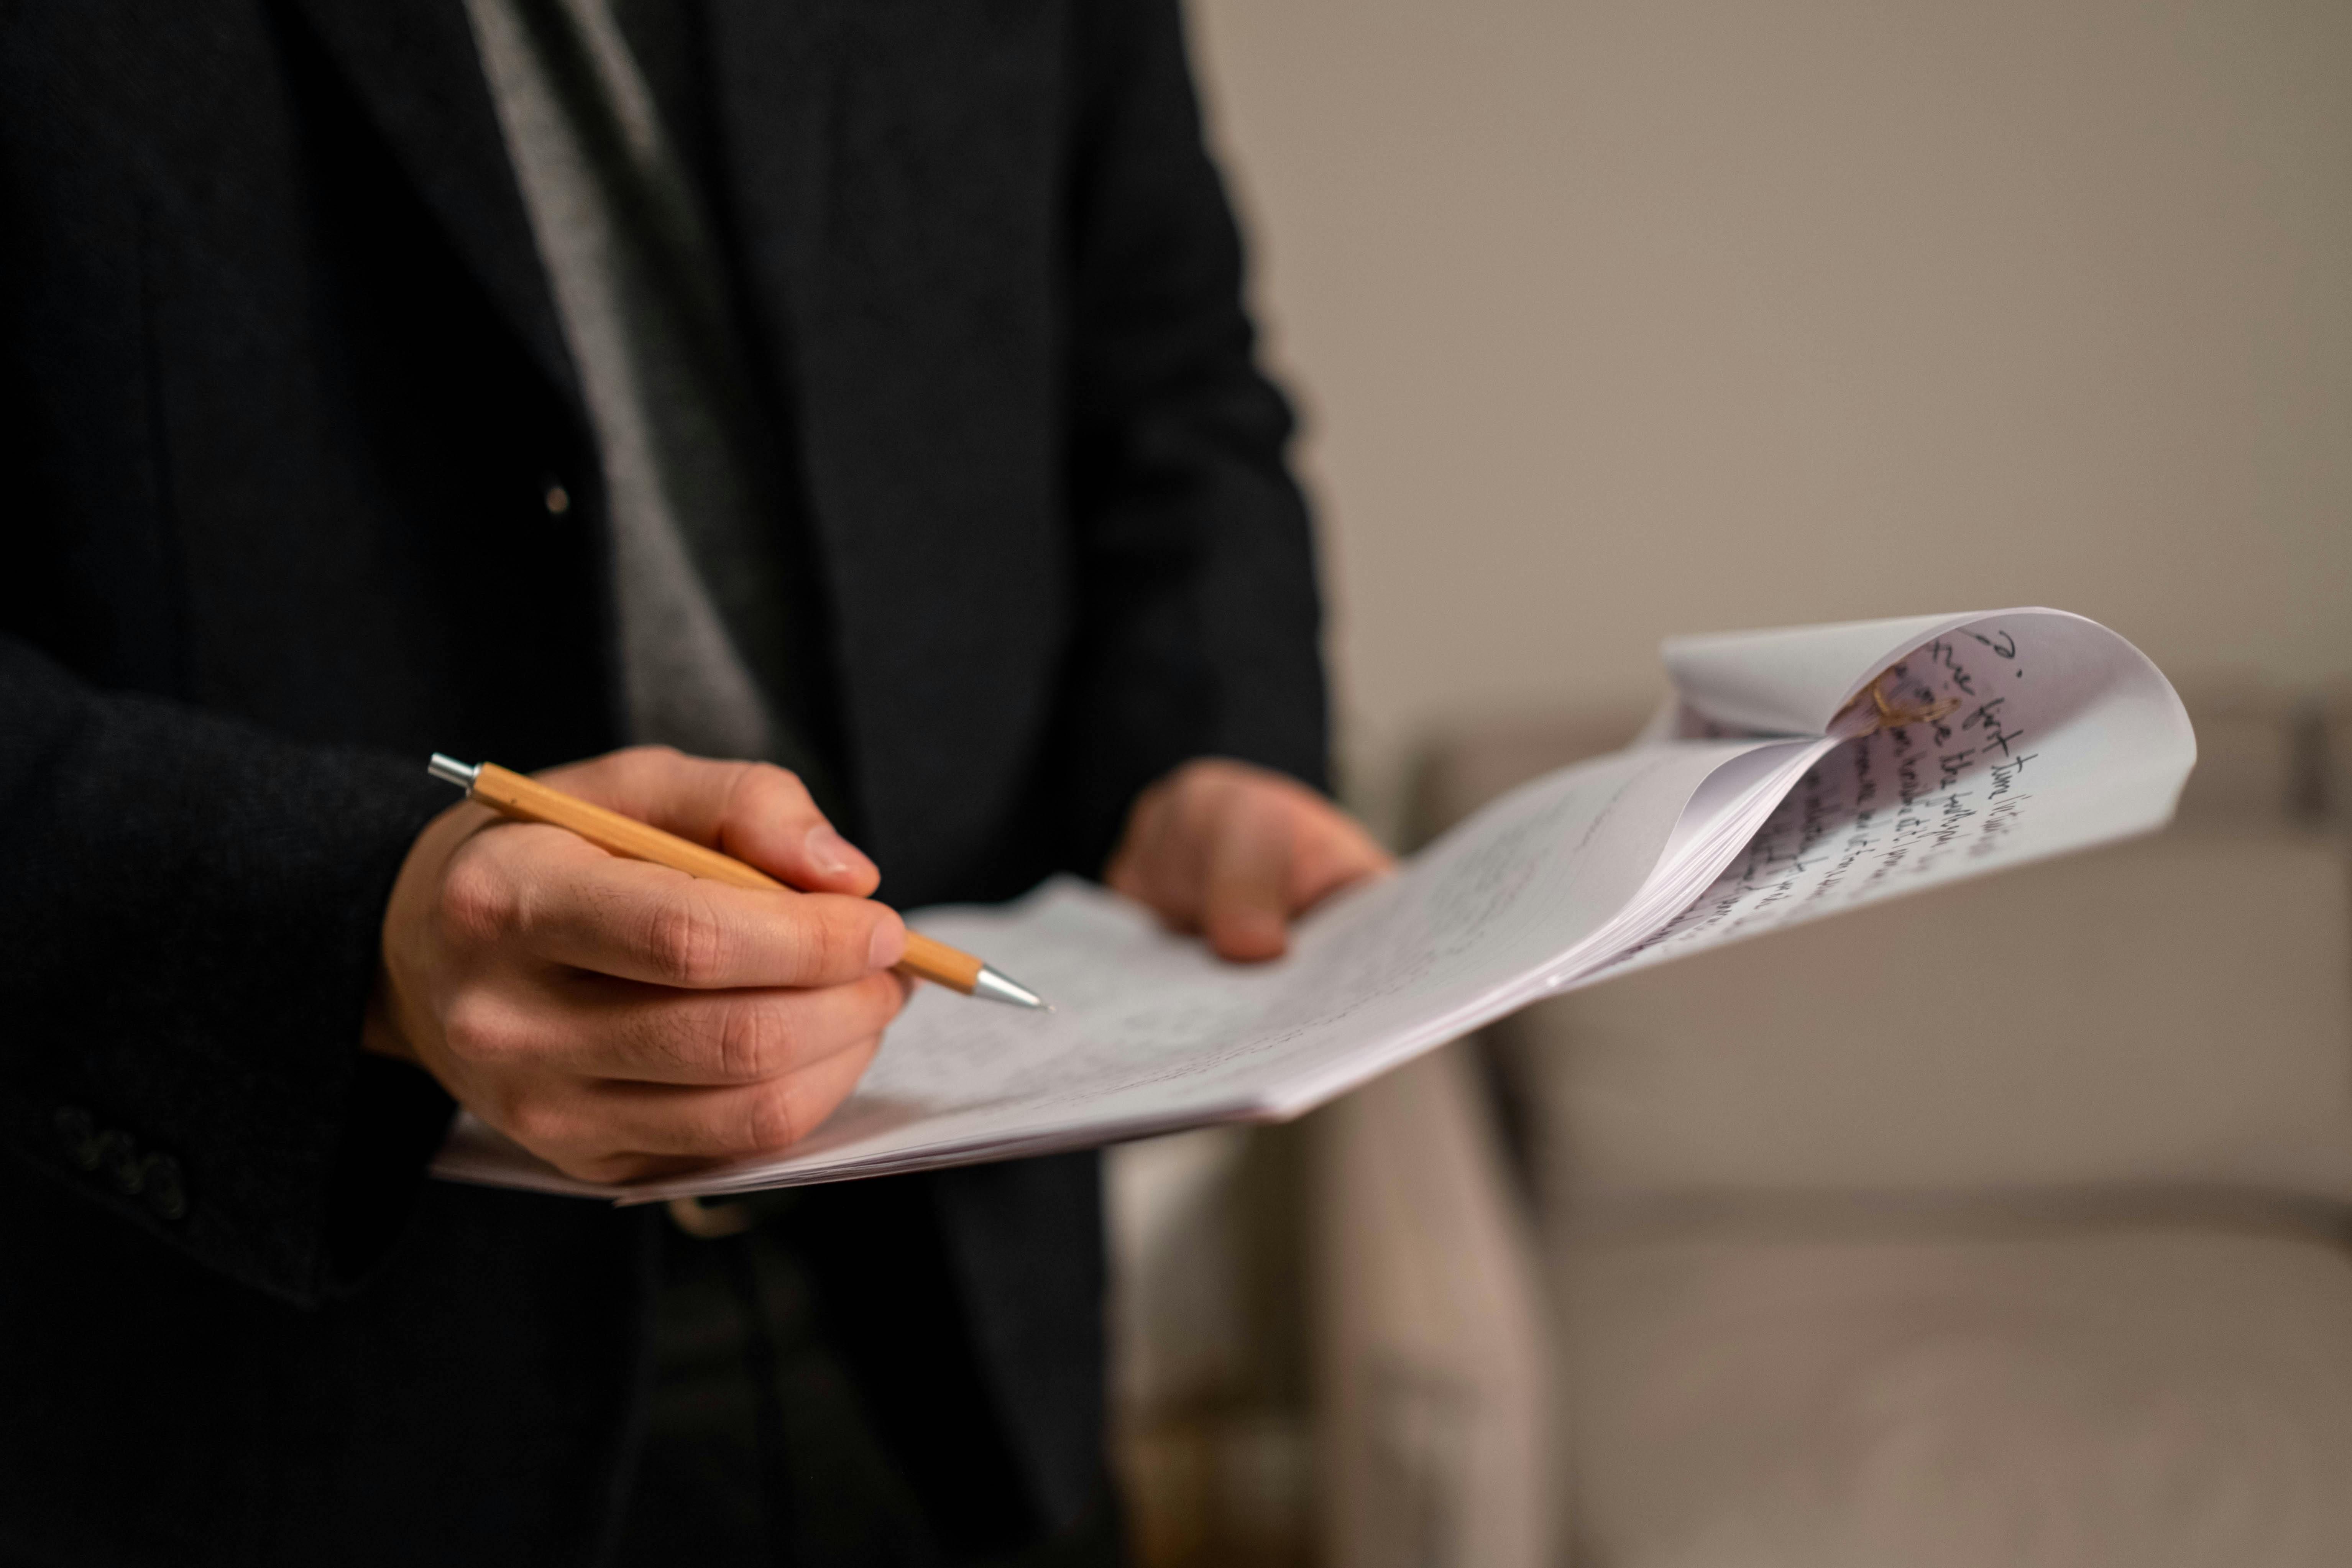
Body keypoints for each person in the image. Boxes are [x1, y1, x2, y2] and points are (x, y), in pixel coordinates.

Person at [0, 0, 1387, 1564]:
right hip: (265, 1392)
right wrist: (348, 907)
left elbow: (1172, 387)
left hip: (970, 1332)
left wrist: (1202, 746)